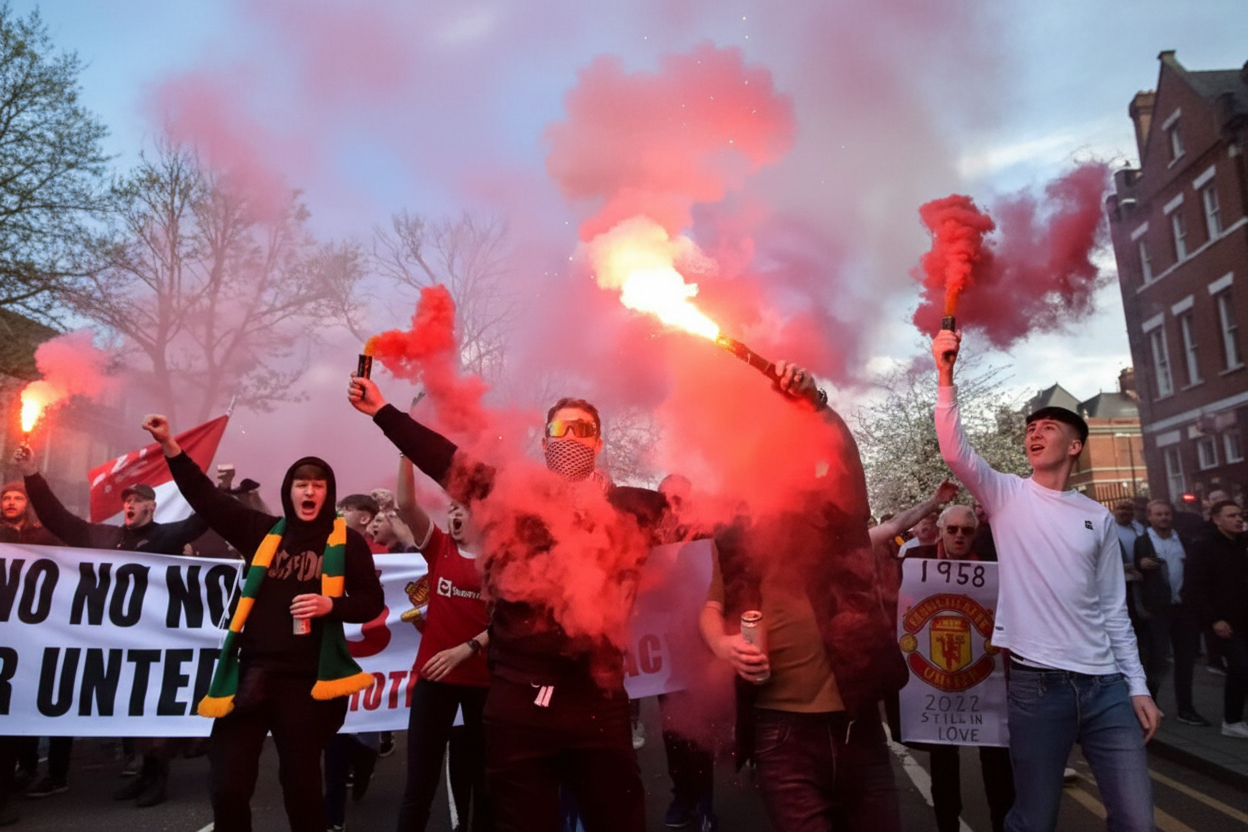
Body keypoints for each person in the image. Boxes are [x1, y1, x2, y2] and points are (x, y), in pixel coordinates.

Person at [348, 376, 664, 832]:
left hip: (597, 701)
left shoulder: (634, 507)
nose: (570, 439)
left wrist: (798, 410)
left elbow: (724, 517)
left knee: (618, 819)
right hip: (518, 703)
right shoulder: (515, 498)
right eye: (561, 430)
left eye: (582, 430)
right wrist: (383, 412)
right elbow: (445, 459)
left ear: (597, 443)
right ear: (544, 440)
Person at [932, 329, 1159, 832]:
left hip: (1107, 688)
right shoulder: (1007, 495)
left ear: (1075, 445)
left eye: (1048, 426)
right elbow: (954, 452)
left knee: (1138, 822)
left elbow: (1113, 609)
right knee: (1034, 820)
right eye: (1030, 428)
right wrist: (945, 374)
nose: (1034, 433)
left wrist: (1137, 687)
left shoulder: (1096, 518)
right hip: (1039, 686)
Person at [140, 414, 384, 832]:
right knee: (228, 786)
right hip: (252, 674)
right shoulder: (261, 530)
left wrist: (331, 605)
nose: (310, 491)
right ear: (289, 493)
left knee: (300, 787)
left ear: (328, 493)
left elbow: (371, 603)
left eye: (318, 485)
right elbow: (206, 498)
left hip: (307, 682)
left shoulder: (348, 542)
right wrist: (170, 447)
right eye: (301, 484)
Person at [699, 362, 906, 832]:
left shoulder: (838, 518)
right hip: (781, 733)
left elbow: (848, 464)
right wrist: (720, 644)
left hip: (858, 728)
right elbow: (711, 607)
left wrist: (817, 405)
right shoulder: (733, 536)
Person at [13, 447, 212, 807]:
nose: (130, 505)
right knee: (132, 712)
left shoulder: (166, 537)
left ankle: (158, 778)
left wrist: (223, 489)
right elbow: (58, 520)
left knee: (153, 709)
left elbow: (206, 516)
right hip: (114, 642)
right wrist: (31, 475)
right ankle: (143, 774)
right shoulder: (106, 538)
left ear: (152, 507)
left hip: (154, 644)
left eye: (138, 500)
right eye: (127, 501)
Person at [391, 450, 492, 832]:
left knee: (483, 786)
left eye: (463, 509)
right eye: (451, 508)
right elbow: (405, 503)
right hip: (436, 681)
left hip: (484, 683)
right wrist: (407, 450)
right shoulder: (440, 548)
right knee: (420, 784)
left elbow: (511, 622)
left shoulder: (504, 560)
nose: (454, 515)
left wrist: (469, 647)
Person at [904, 505, 1015, 832]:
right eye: (951, 529)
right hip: (937, 684)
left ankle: (1001, 824)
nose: (958, 536)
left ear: (974, 532)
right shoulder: (917, 565)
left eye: (966, 530)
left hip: (987, 683)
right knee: (943, 764)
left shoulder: (993, 568)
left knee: (997, 762)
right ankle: (946, 824)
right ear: (940, 531)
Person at [1133, 499, 1209, 726]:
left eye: (1166, 514)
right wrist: (1141, 565)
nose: (1163, 518)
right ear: (1149, 516)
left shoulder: (1183, 540)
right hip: (1158, 609)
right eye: (1158, 514)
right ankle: (1150, 705)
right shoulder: (1143, 541)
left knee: (1185, 660)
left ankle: (1186, 708)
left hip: (1183, 608)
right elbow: (1138, 568)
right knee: (1158, 660)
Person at [1186, 500, 1248, 737]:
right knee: (1240, 666)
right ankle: (1231, 721)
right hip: (1224, 622)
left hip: (1245, 618)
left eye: (1240, 515)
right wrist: (1214, 620)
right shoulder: (1204, 548)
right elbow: (1193, 589)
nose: (1238, 519)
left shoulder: (1242, 544)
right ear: (1216, 519)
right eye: (1232, 515)